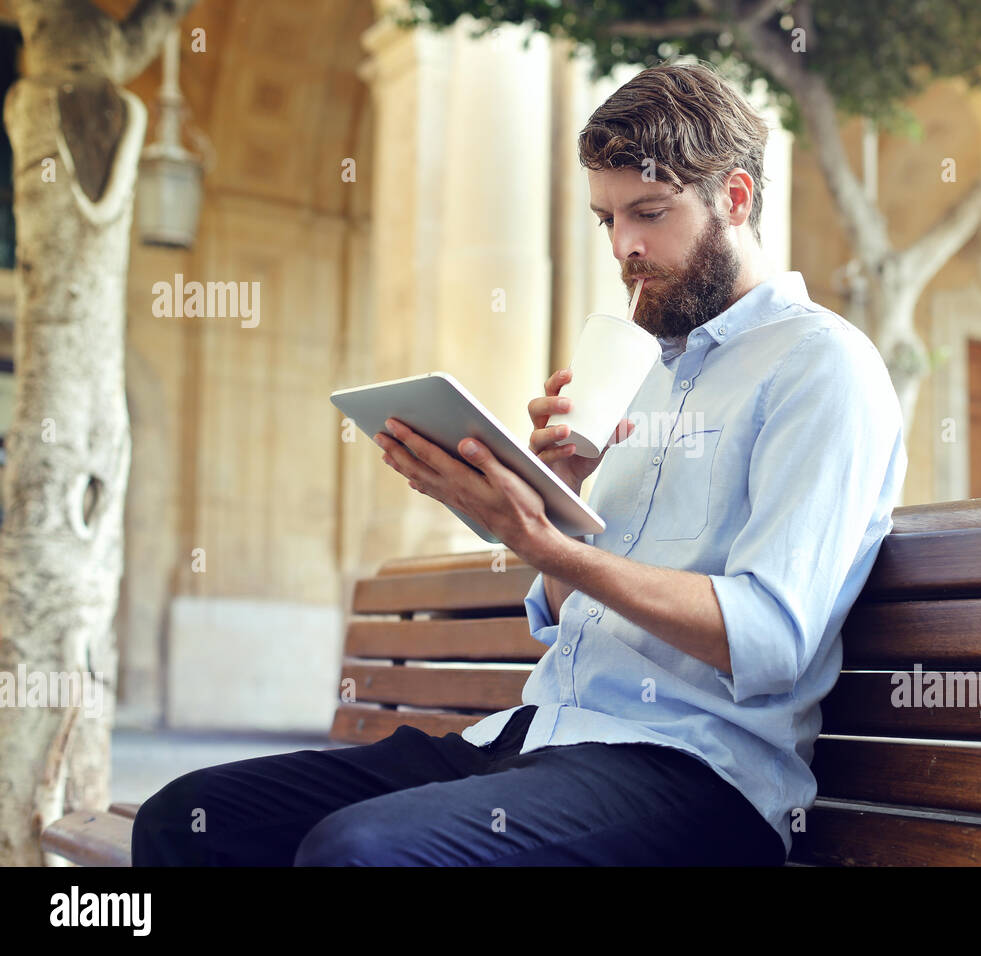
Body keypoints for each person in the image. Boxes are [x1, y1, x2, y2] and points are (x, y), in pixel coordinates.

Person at [131, 59, 908, 867]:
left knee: (358, 853)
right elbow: (571, 603)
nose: (626, 248)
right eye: (607, 220)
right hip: (537, 737)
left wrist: (546, 542)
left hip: (698, 779)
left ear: (736, 198)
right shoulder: (646, 370)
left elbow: (772, 639)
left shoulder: (822, 367)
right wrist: (561, 492)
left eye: (649, 213)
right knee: (188, 818)